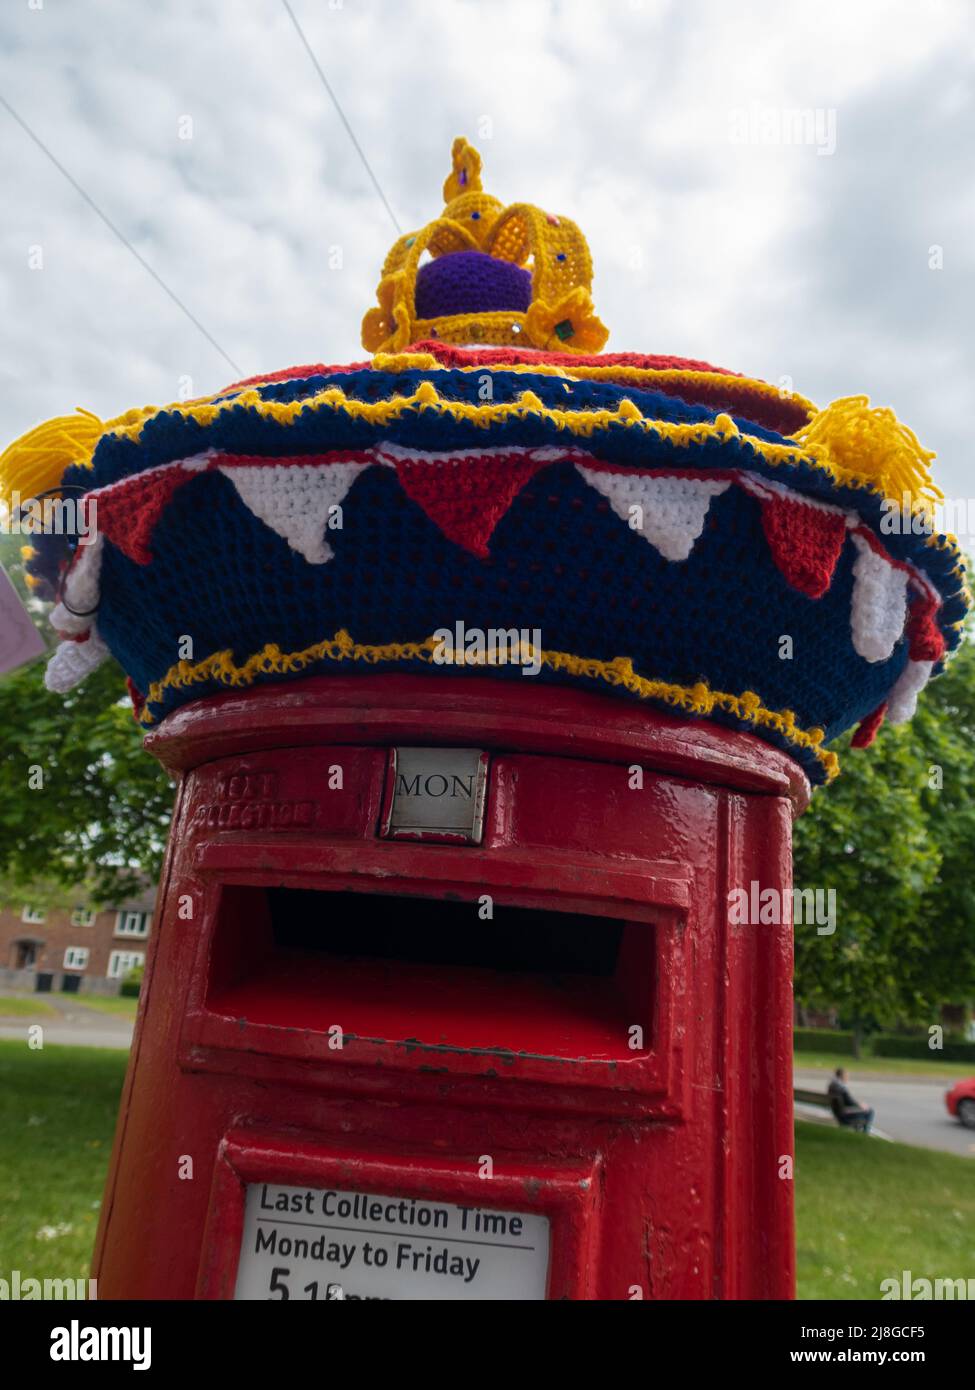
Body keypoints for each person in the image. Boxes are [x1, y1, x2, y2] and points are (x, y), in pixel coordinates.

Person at [827, 1067, 875, 1131]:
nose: (847, 1078)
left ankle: (859, 1131)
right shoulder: (840, 1087)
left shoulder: (832, 1085)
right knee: (870, 1111)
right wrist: (860, 1105)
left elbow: (847, 1101)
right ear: (842, 1076)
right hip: (844, 1115)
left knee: (863, 1111)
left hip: (838, 1113)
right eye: (846, 1076)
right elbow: (849, 1102)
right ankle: (865, 1133)